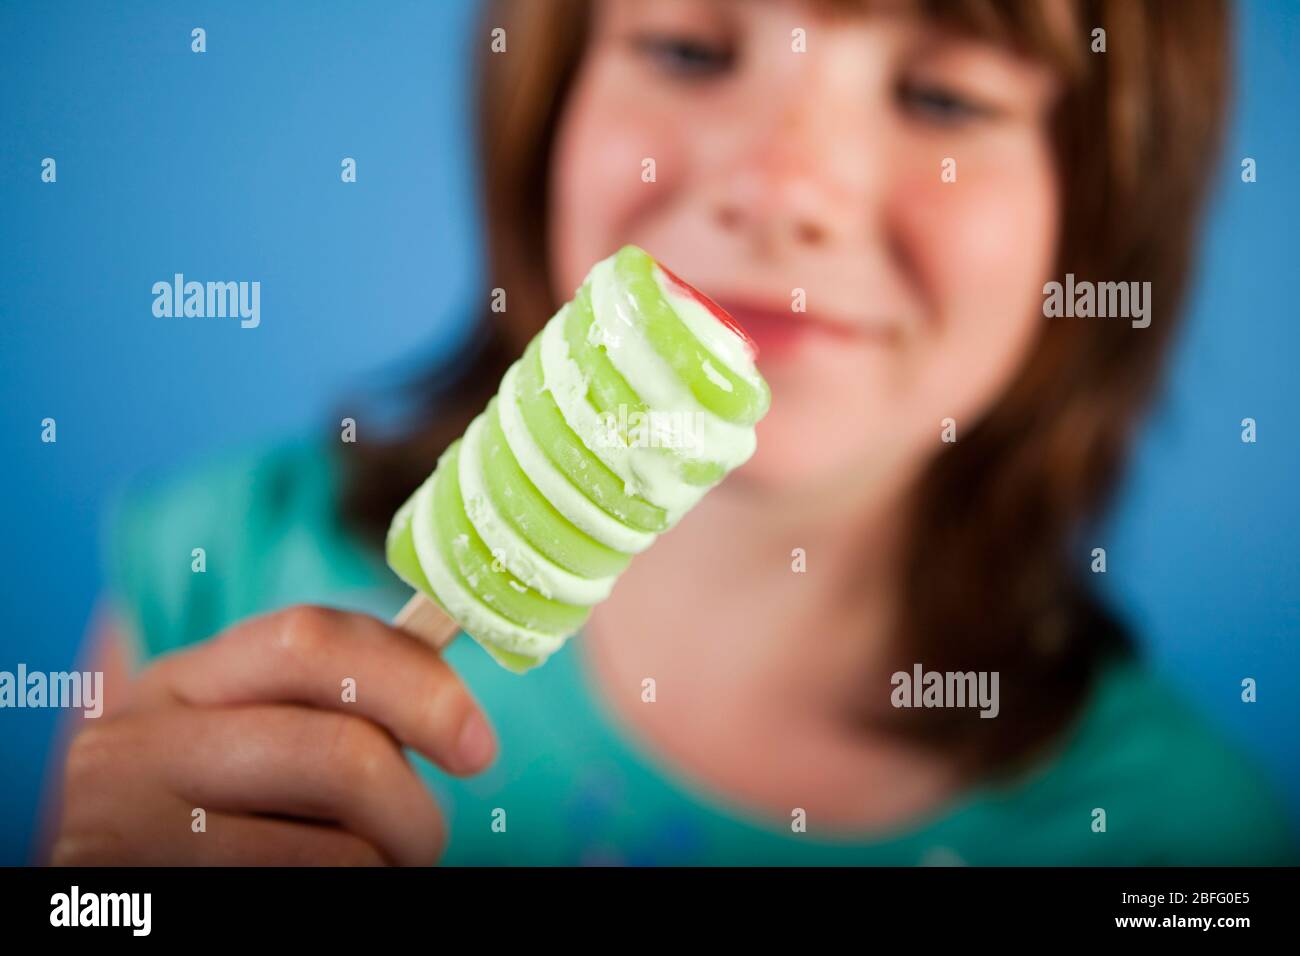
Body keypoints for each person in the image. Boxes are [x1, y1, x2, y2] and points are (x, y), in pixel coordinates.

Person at [47, 0, 1295, 865]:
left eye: (940, 94)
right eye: (692, 49)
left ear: (1097, 222)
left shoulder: (1184, 843)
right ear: (541, 109)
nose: (785, 184)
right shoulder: (222, 577)